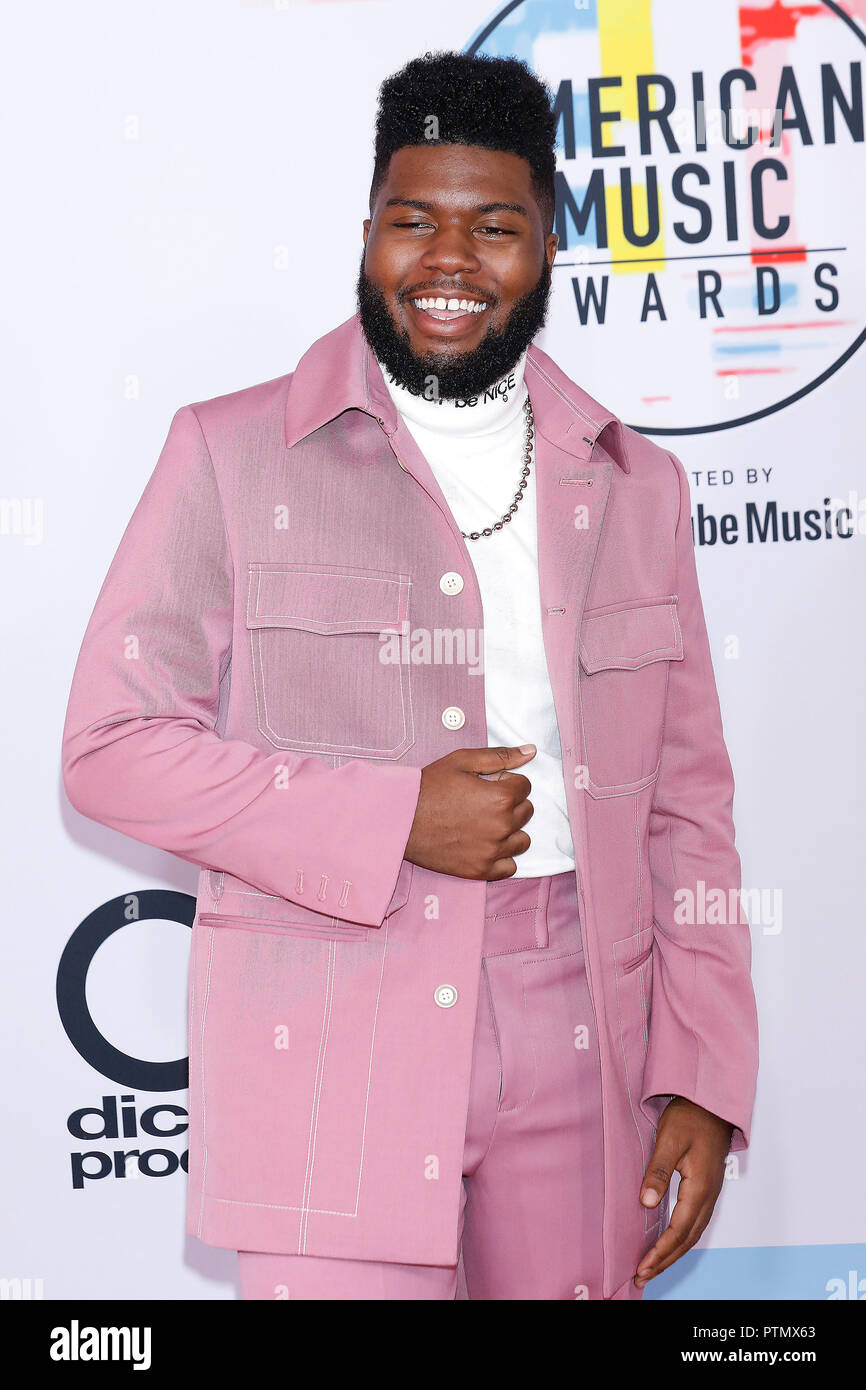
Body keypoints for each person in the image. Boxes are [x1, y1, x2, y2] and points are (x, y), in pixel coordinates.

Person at [61, 50, 758, 1301]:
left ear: (548, 242)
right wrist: (394, 816)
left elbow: (687, 810)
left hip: (581, 1034)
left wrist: (700, 1068)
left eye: (492, 226)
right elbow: (109, 744)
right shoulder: (228, 453)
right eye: (411, 220)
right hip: (330, 1028)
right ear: (367, 231)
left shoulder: (637, 485)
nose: (447, 261)